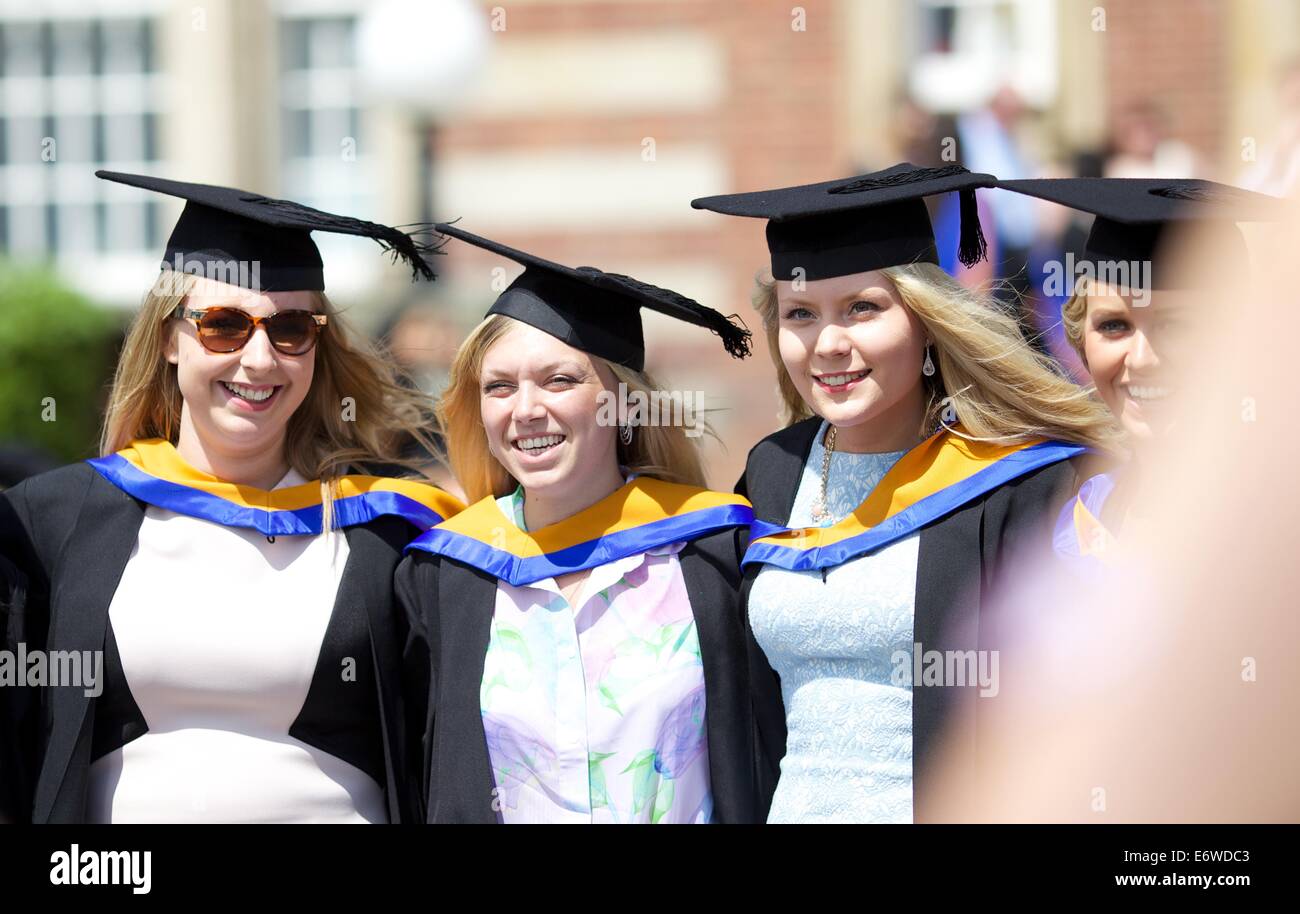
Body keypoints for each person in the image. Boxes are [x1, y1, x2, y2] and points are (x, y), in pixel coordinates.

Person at [0, 171, 463, 823]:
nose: (260, 358)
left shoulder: (391, 531)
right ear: (168, 335)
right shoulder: (52, 524)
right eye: (223, 325)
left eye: (292, 329)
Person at [692, 162, 1119, 823]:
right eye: (801, 313)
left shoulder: (1013, 484)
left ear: (923, 320)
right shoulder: (773, 473)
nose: (829, 343)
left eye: (862, 308)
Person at [395, 223, 760, 823]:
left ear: (625, 402)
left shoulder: (711, 555)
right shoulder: (445, 576)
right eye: (500, 387)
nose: (526, 409)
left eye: (560, 380)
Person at [995, 177, 1282, 567]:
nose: (1142, 359)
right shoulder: (1079, 514)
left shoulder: (1276, 516)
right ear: (1081, 342)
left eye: (1176, 327)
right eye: (1114, 326)